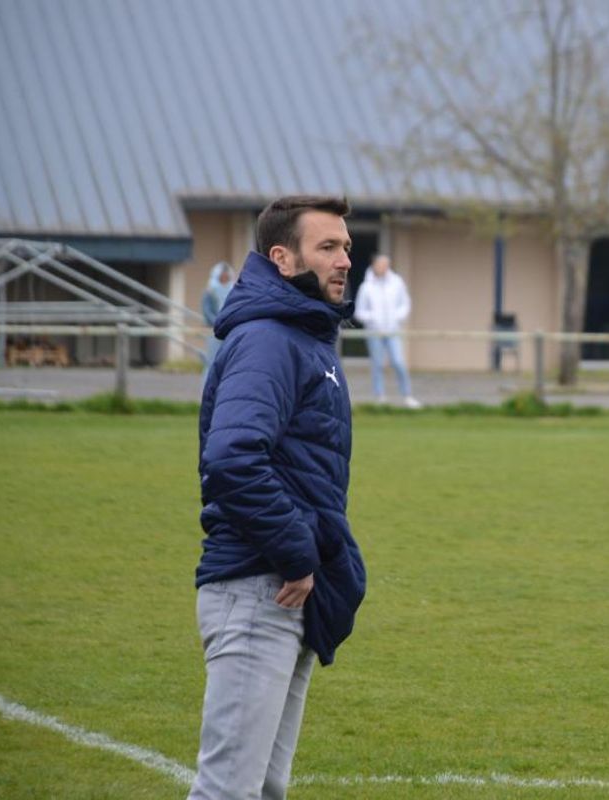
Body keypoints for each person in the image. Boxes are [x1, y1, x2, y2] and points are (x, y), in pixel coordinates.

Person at [189, 196, 367, 800]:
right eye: (328, 247)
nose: (345, 259)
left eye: (346, 246)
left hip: (285, 593)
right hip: (260, 587)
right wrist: (296, 552)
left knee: (262, 789)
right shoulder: (270, 340)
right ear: (282, 258)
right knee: (227, 792)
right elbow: (233, 457)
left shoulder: (305, 336)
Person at [353, 254, 421, 408]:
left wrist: (397, 318)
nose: (383, 268)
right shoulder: (366, 287)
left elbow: (405, 304)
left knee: (398, 362)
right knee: (377, 364)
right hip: (374, 332)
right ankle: (380, 396)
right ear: (374, 266)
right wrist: (373, 319)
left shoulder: (397, 283)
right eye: (380, 265)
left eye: (385, 265)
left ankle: (407, 395)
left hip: (392, 331)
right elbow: (359, 311)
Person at [200, 261, 235, 382]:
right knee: (212, 361)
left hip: (229, 331)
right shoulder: (210, 290)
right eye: (222, 276)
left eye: (227, 276)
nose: (225, 279)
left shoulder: (233, 290)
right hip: (214, 331)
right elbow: (207, 311)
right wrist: (217, 323)